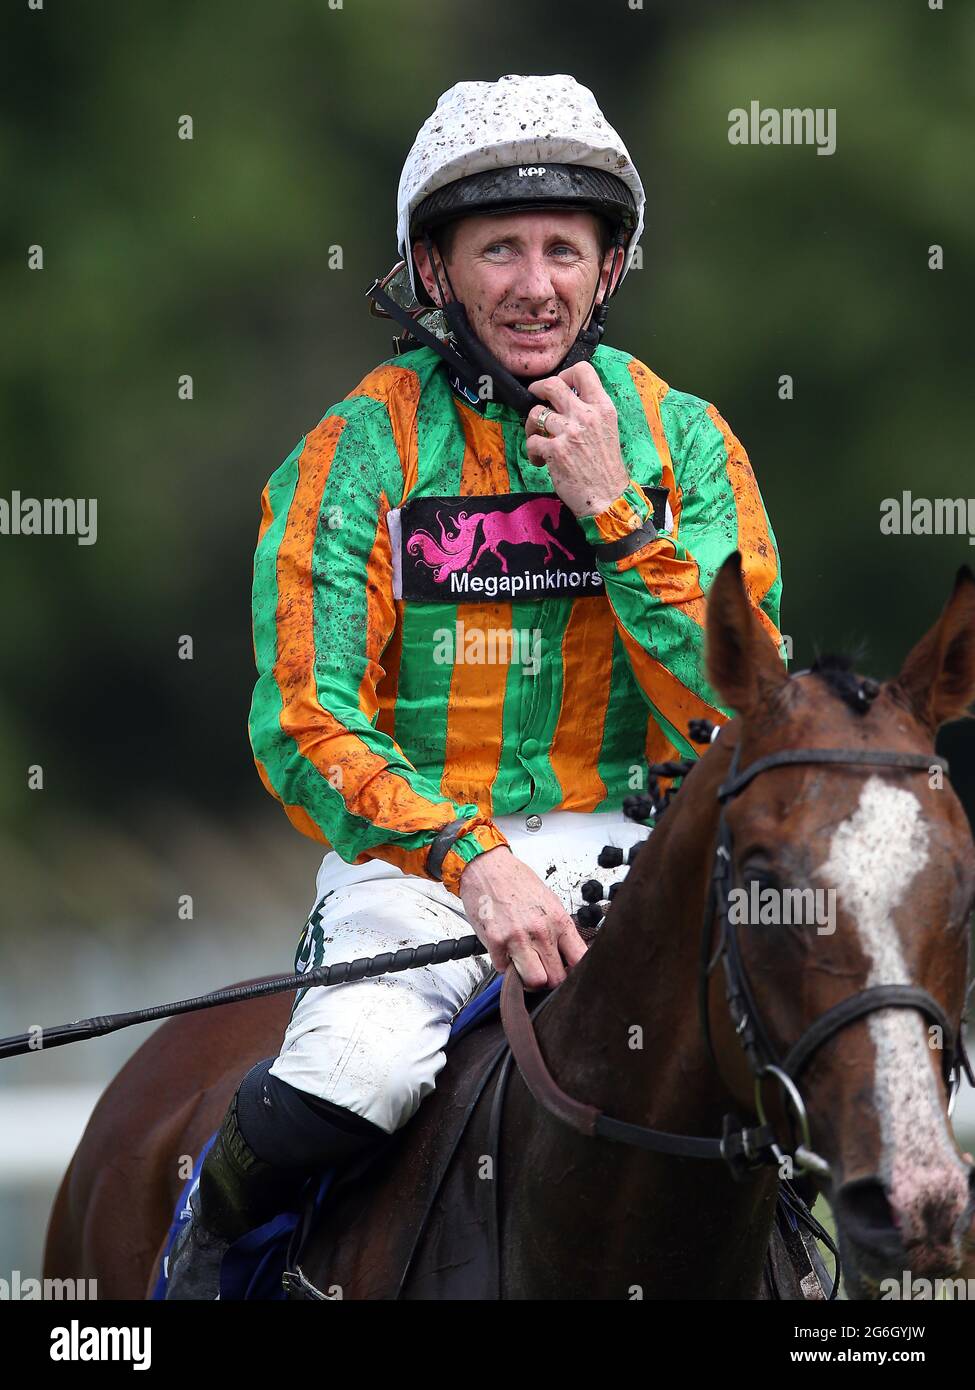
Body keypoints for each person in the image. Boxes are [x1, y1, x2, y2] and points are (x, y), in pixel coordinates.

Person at [166, 72, 782, 1299]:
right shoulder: (355, 453)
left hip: (645, 857)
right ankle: (197, 1267)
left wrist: (615, 512)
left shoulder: (691, 444)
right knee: (358, 1076)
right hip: (422, 878)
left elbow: (740, 715)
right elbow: (305, 721)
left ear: (609, 271)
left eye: (564, 247)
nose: (534, 283)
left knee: (801, 1052)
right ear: (435, 270)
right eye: (499, 247)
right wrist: (472, 858)